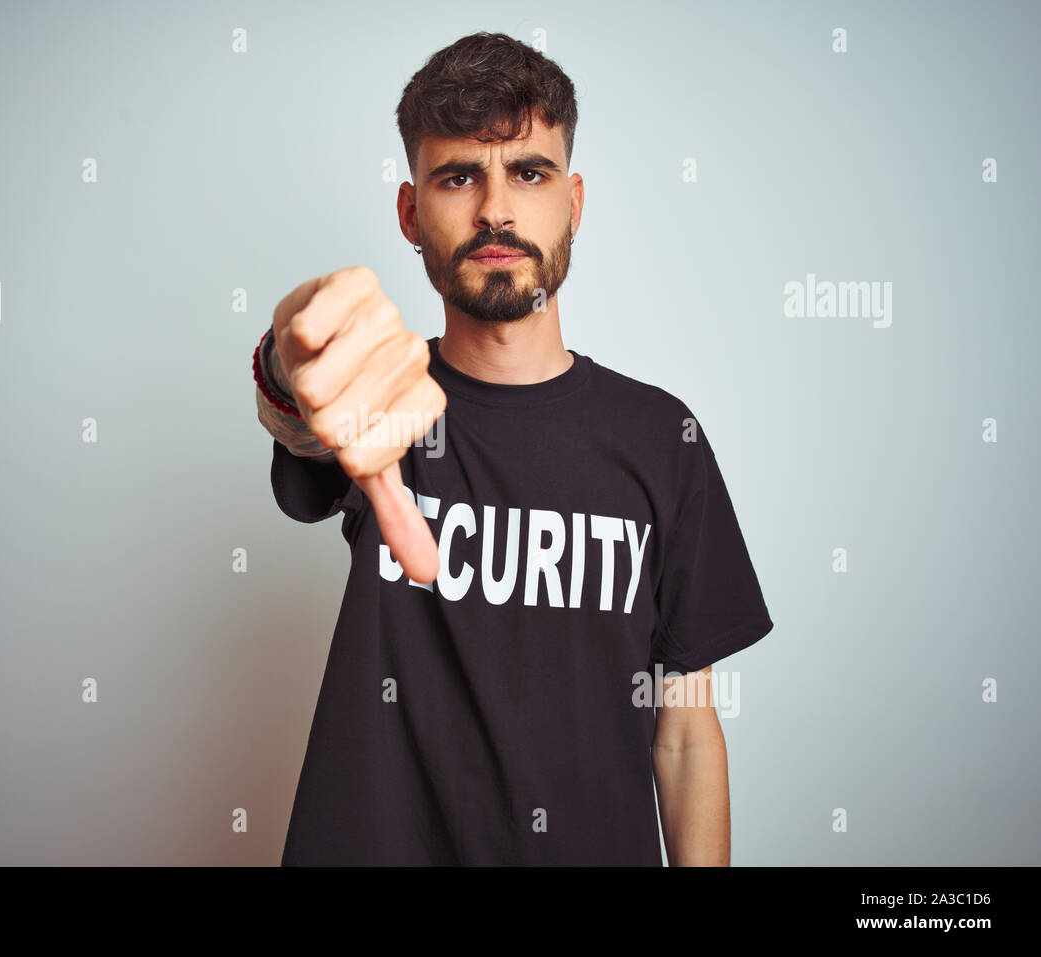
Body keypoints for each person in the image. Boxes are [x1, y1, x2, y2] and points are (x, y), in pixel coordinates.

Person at [253, 31, 773, 865]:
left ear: (572, 201)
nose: (495, 209)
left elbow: (683, 730)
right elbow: (300, 412)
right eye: (459, 175)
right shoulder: (378, 392)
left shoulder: (661, 437)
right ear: (411, 212)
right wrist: (293, 355)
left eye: (527, 172)